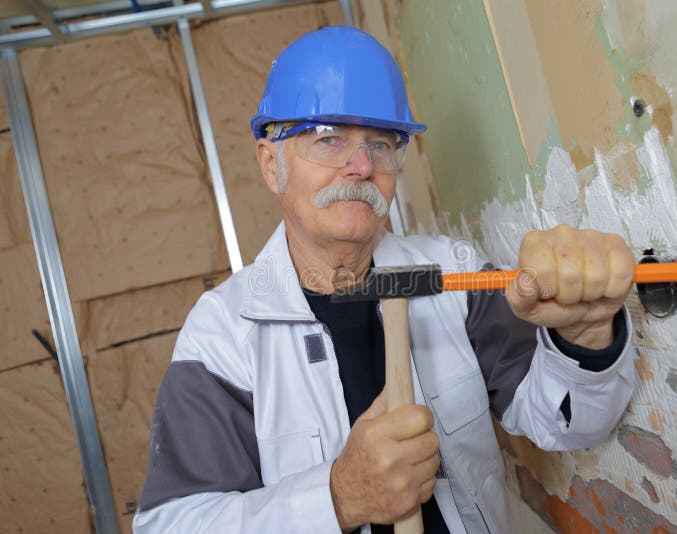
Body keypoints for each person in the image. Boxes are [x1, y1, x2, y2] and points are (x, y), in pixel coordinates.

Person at [133, 26, 635, 533]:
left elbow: (566, 422)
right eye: (329, 139)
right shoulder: (223, 333)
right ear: (271, 164)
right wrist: (337, 499)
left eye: (380, 143)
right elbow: (171, 526)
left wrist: (586, 342)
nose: (361, 166)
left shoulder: (452, 273)